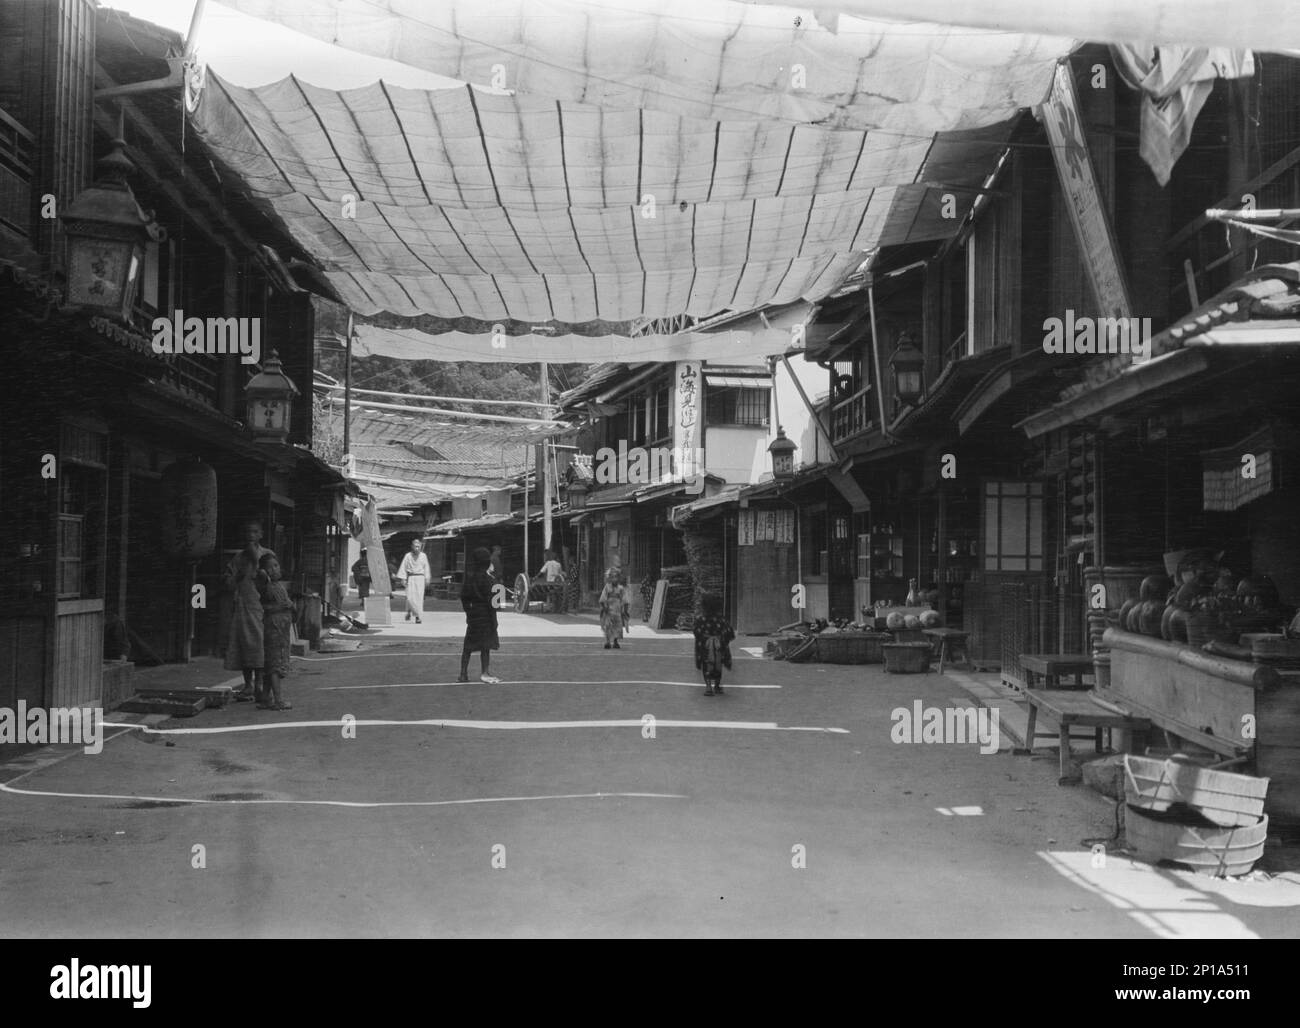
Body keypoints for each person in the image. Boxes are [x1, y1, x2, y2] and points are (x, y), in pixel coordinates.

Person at [223, 519, 275, 702]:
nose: (250, 535)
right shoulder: (238, 558)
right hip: (243, 606)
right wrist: (237, 577)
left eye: (254, 532)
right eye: (248, 532)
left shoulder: (268, 555)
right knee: (244, 645)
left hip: (261, 607)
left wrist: (257, 561)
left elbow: (274, 578)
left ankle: (259, 683)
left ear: (260, 535)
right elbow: (228, 583)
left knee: (259, 646)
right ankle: (248, 685)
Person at [256, 553, 294, 711]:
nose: (274, 569)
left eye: (276, 565)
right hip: (274, 628)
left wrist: (290, 605)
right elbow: (266, 607)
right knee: (275, 664)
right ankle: (278, 700)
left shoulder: (279, 585)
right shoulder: (266, 585)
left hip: (281, 628)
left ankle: (265, 698)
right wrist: (285, 606)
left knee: (270, 664)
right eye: (269, 567)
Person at [459, 547, 501, 683]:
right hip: (486, 617)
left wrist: (468, 613)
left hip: (473, 616)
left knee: (468, 646)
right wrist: (494, 620)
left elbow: (464, 597)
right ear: (487, 562)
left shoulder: (469, 578)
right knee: (485, 646)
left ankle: (463, 674)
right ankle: (485, 672)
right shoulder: (490, 580)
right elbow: (494, 604)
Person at [693, 591, 735, 696]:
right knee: (718, 665)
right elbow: (728, 631)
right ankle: (717, 685)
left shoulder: (700, 619)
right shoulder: (721, 619)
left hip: (705, 647)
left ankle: (708, 687)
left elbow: (697, 632)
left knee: (706, 665)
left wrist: (705, 638)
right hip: (718, 646)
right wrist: (721, 639)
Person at [398, 538, 431, 624]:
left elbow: (426, 567)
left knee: (419, 599)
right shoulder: (408, 556)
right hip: (411, 578)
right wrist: (403, 578)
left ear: (420, 547)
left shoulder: (423, 556)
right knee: (410, 597)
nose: (417, 548)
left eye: (418, 546)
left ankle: (418, 617)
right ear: (412, 547)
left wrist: (427, 578)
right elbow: (403, 567)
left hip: (420, 579)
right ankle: (409, 611)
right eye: (415, 546)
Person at [598, 567, 629, 649]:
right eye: (612, 577)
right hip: (608, 610)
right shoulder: (607, 587)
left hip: (618, 610)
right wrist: (604, 607)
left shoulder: (621, 589)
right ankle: (607, 642)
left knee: (617, 626)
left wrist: (625, 610)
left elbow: (625, 600)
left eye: (616, 577)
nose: (614, 579)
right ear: (609, 578)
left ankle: (615, 641)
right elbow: (603, 598)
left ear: (619, 578)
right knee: (608, 626)